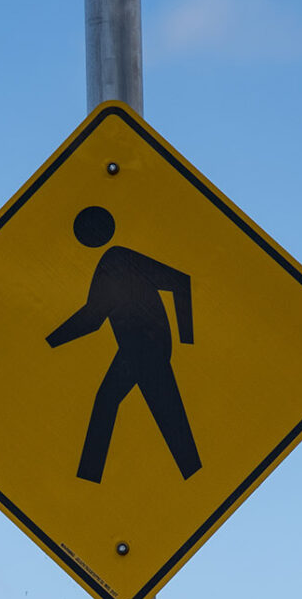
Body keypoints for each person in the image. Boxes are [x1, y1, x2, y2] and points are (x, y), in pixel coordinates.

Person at [46, 205, 201, 483]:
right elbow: (93, 318)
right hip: (135, 349)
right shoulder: (111, 262)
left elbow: (180, 281)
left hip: (147, 346)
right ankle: (89, 478)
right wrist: (51, 341)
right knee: (124, 403)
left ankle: (90, 476)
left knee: (154, 409)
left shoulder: (118, 259)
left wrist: (187, 338)